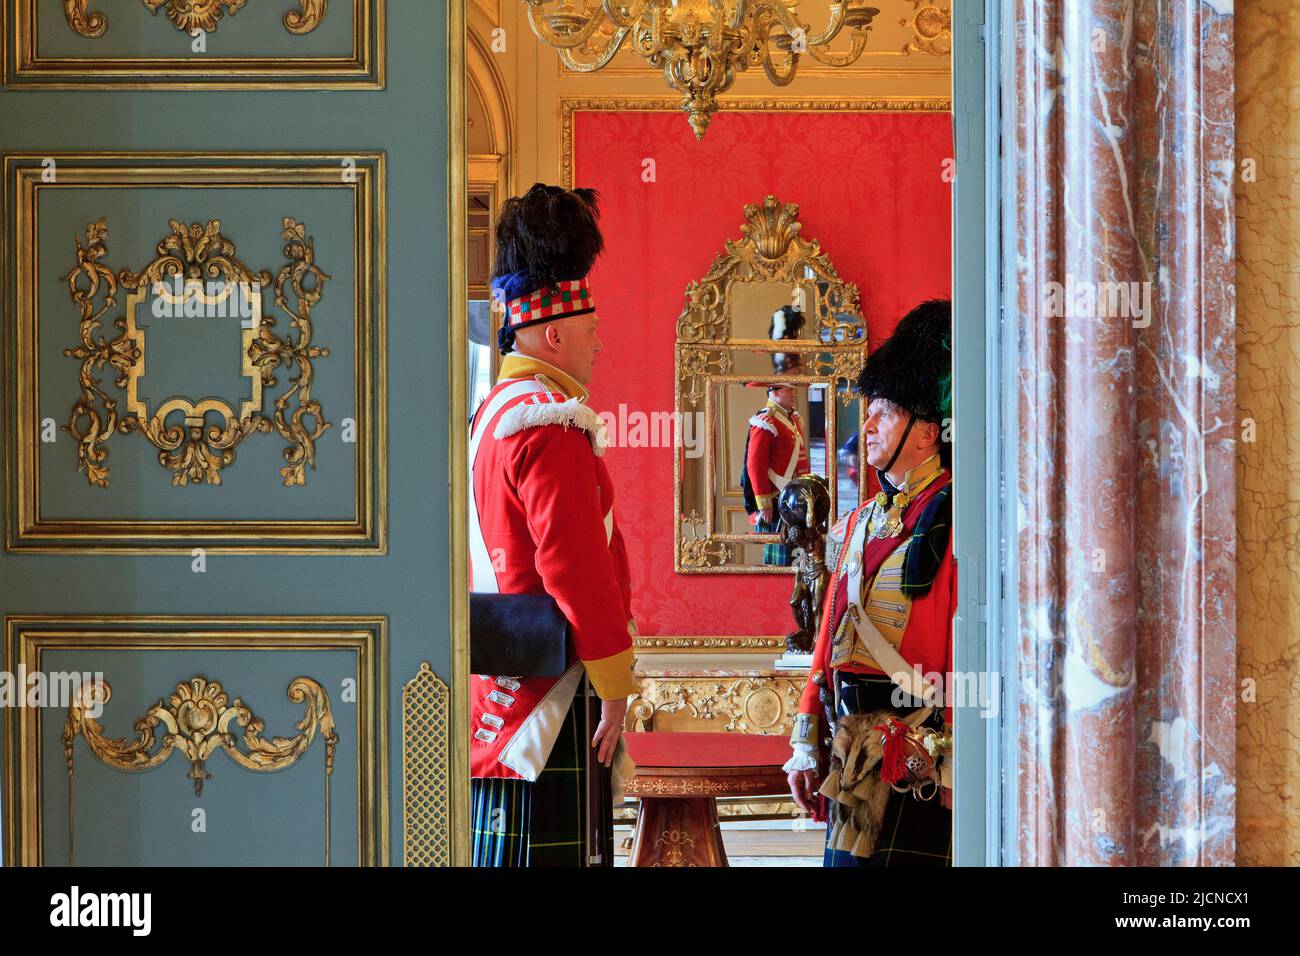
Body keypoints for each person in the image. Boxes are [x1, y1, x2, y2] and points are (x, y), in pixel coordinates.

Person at [468, 183, 636, 867]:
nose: (599, 347)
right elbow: (576, 571)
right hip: (551, 694)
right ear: (557, 332)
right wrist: (617, 689)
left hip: (498, 697)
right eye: (592, 333)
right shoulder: (551, 422)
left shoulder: (493, 415)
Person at [784, 299, 957, 866]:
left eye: (883, 412)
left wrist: (954, 758)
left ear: (927, 430)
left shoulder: (958, 518)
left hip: (916, 754)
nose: (869, 424)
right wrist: (807, 737)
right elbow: (828, 639)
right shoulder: (859, 522)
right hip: (849, 750)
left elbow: (964, 647)